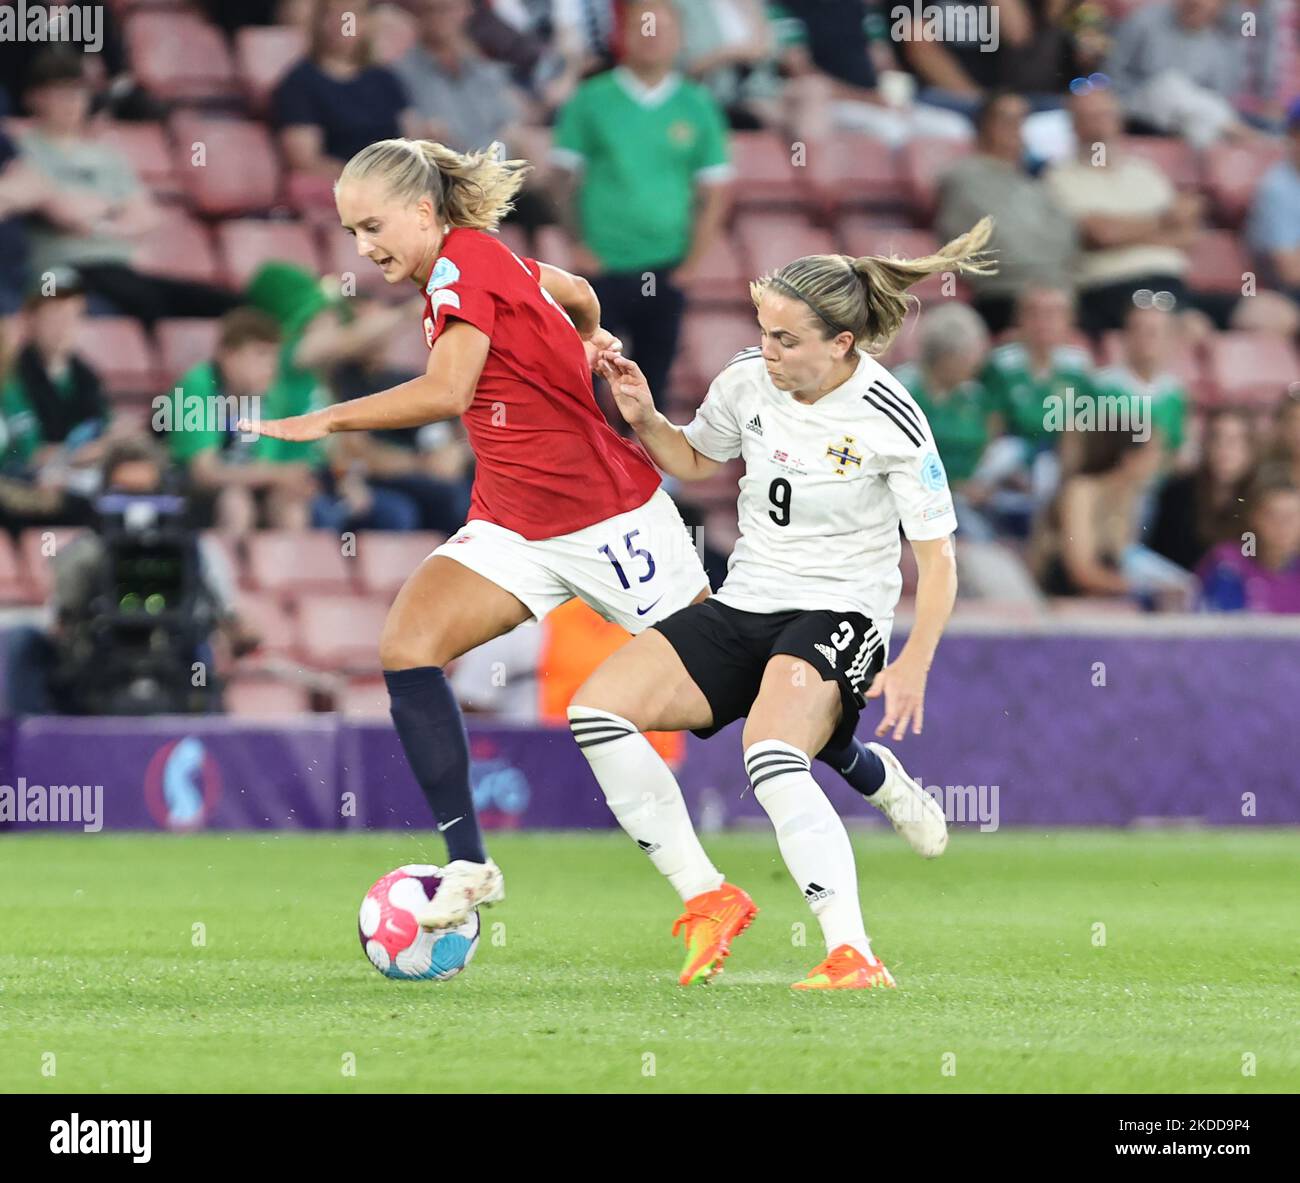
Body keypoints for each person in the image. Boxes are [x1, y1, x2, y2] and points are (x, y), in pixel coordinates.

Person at [243, 136, 713, 930]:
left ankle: (851, 741)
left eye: (372, 227)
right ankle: (469, 863)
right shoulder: (476, 264)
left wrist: (329, 418)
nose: (362, 249)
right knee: (408, 645)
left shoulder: (463, 265)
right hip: (513, 522)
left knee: (712, 695)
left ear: (423, 211)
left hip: (605, 516)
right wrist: (590, 334)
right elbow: (575, 289)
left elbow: (447, 390)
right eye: (351, 232)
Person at [565, 222, 999, 990]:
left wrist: (914, 663)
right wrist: (645, 419)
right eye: (763, 331)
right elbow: (697, 458)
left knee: (768, 754)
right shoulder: (746, 378)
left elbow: (938, 559)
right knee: (595, 710)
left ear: (841, 343)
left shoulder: (890, 416)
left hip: (840, 611)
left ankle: (853, 953)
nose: (767, 351)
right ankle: (712, 893)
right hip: (747, 600)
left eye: (787, 340)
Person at [550, 0, 733, 410]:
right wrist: (578, 246)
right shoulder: (591, 99)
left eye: (662, 29)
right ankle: (592, 451)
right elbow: (561, 179)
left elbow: (715, 191)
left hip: (666, 266)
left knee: (653, 384)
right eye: (642, 27)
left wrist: (691, 264)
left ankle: (645, 451)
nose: (652, 37)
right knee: (585, 382)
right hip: (601, 268)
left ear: (679, 38)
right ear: (622, 35)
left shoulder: (697, 105)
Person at [17, 53, 241, 328]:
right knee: (144, 303)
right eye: (61, 93)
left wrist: (96, 218)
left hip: (118, 266)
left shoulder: (108, 156)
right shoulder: (23, 150)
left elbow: (147, 217)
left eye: (78, 92)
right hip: (64, 268)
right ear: (36, 97)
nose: (72, 102)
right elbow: (66, 212)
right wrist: (115, 209)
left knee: (229, 304)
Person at [935, 91, 1079, 336]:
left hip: (1054, 292)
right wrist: (1045, 272)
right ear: (984, 127)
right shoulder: (964, 178)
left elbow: (1068, 234)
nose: (1016, 129)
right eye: (1006, 120)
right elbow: (988, 247)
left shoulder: (1033, 183)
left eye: (1021, 120)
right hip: (1004, 294)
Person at [1150, 408, 1255, 572]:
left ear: (1251, 448)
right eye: (1215, 439)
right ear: (1204, 444)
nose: (1223, 449)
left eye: (1233, 441)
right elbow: (1158, 555)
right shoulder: (1177, 493)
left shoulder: (1263, 498)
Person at [1197, 478, 1300, 613]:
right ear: (1254, 518)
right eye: (1272, 515)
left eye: (1291, 516)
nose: (1282, 525)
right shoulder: (1228, 563)